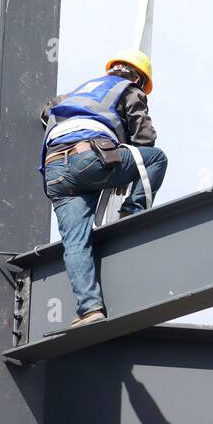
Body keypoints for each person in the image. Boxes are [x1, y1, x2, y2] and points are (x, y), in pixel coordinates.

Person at [40, 50, 169, 326]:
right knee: (156, 159)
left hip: (55, 173)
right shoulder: (130, 89)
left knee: (75, 242)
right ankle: (131, 213)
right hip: (90, 159)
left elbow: (46, 111)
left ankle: (89, 309)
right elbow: (145, 140)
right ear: (137, 76)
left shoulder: (75, 94)